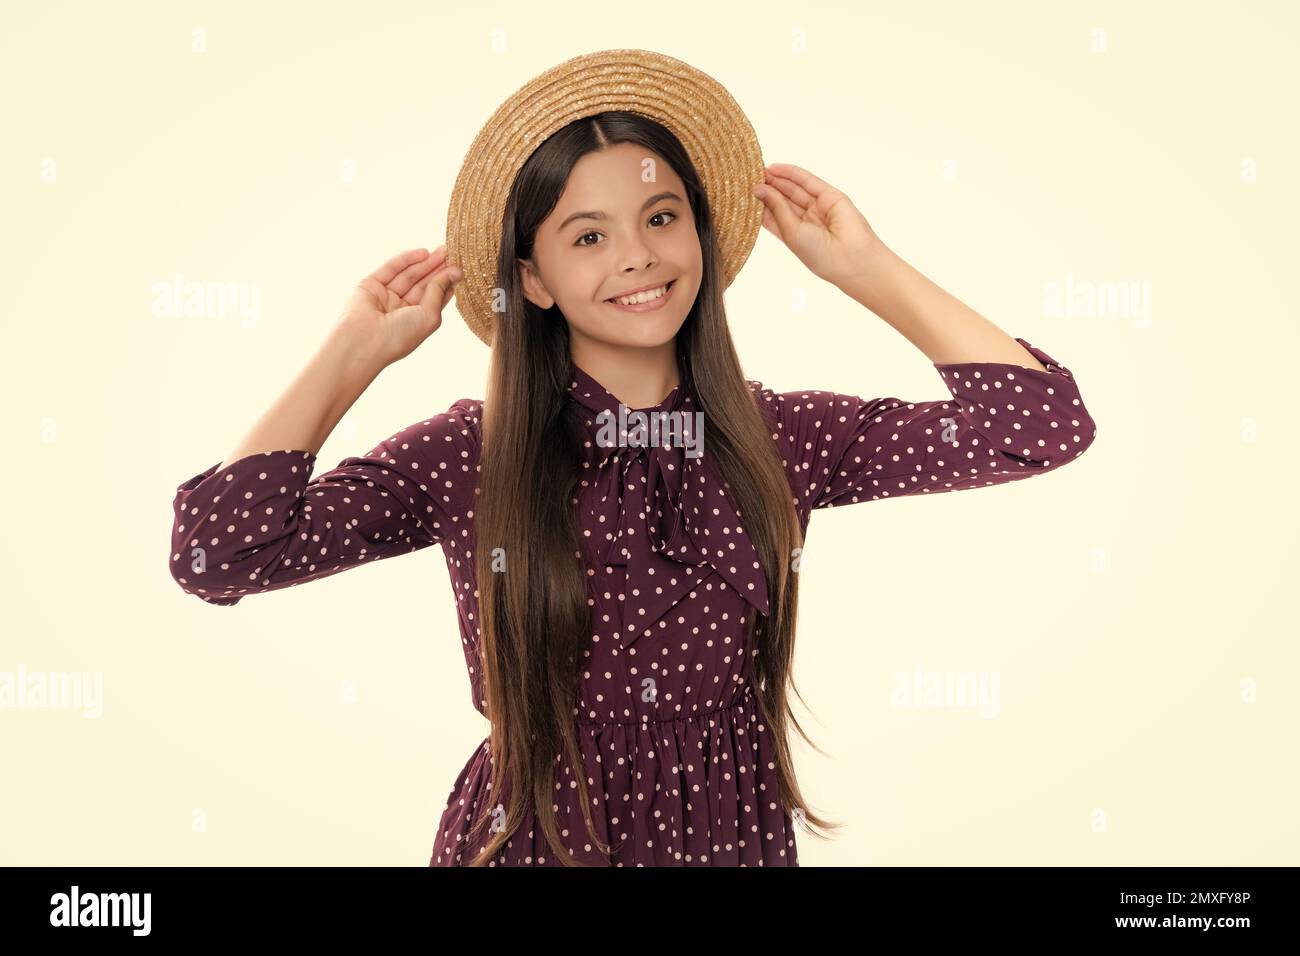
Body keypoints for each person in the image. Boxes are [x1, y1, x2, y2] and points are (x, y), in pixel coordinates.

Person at [168, 53, 1097, 867]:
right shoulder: (472, 453)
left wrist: (868, 270)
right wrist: (351, 353)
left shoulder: (779, 440)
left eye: (663, 217)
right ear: (531, 279)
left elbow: (1042, 425)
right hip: (532, 841)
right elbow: (215, 553)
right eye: (587, 236)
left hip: (734, 837)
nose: (638, 258)